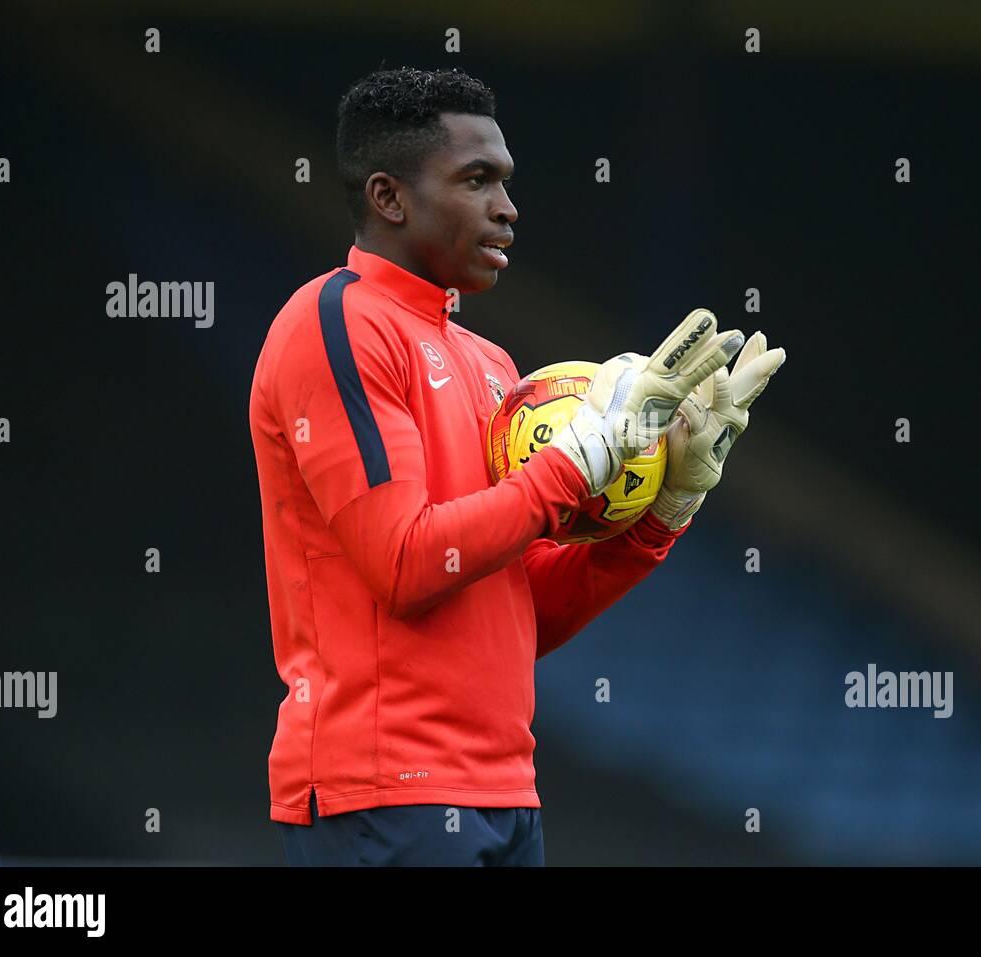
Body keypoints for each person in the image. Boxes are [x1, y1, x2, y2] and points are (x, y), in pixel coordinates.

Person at [249, 66, 784, 866]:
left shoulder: (496, 365)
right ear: (389, 197)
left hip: (503, 794)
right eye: (477, 180)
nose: (508, 207)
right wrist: (585, 458)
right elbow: (404, 563)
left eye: (506, 181)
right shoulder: (337, 320)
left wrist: (661, 512)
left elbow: (518, 610)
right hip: (385, 794)